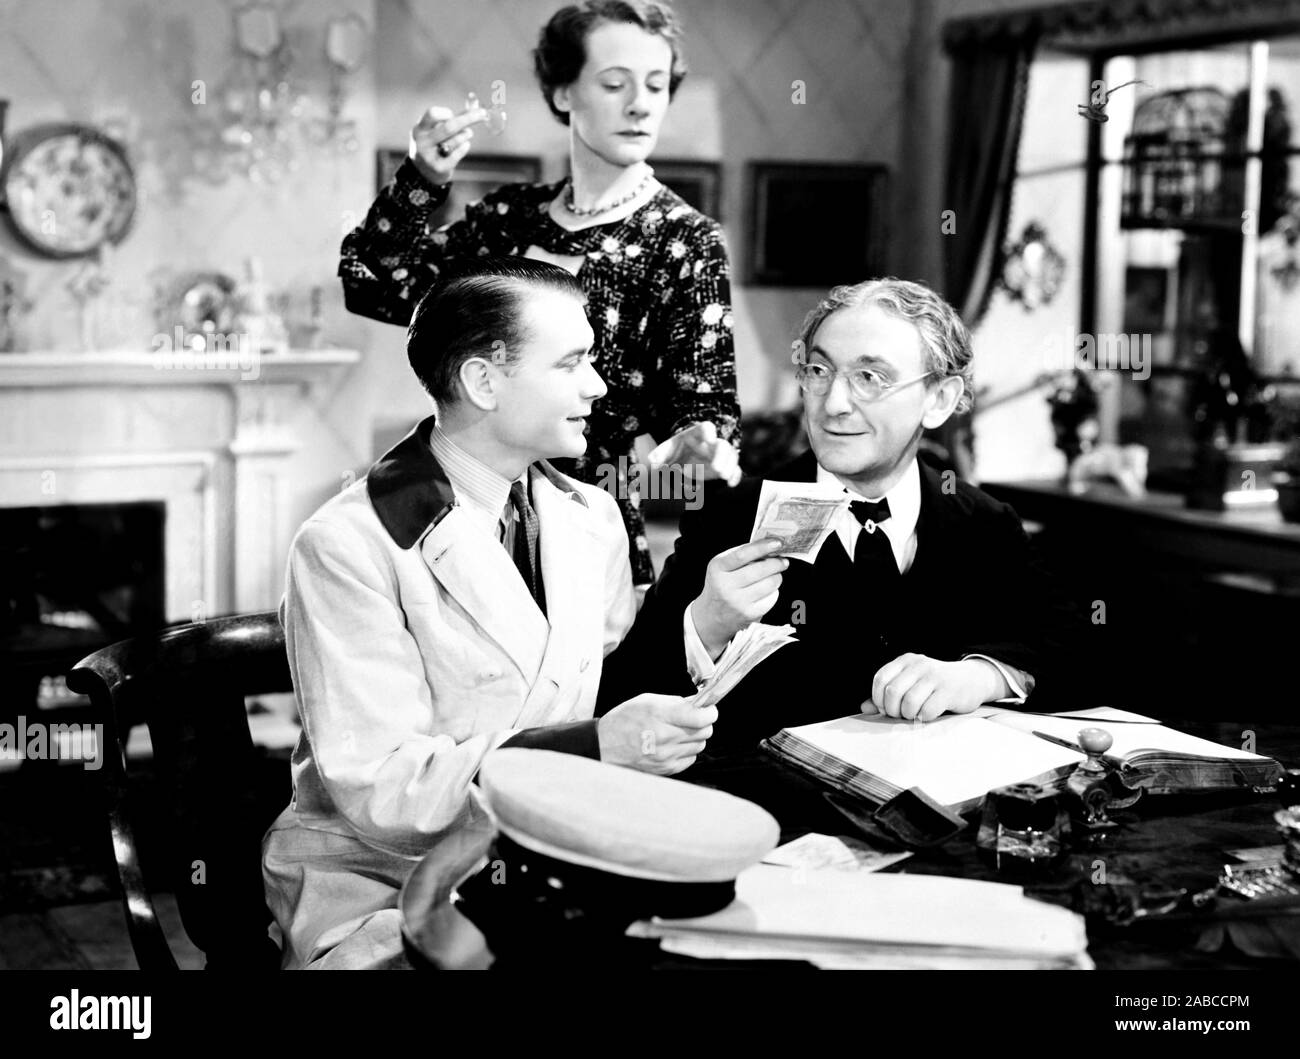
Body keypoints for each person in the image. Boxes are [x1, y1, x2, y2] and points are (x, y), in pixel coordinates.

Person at [263, 257, 716, 969]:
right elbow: (385, 788)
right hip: (387, 888)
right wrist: (590, 747)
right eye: (572, 363)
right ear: (483, 381)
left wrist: (708, 620)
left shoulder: (590, 515)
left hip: (548, 856)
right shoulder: (344, 544)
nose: (597, 386)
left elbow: (596, 686)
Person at [339, 0, 742, 588]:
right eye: (614, 83)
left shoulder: (685, 239)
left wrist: (698, 447)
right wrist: (421, 176)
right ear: (562, 93)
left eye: (657, 86)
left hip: (590, 524)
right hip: (461, 510)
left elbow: (705, 412)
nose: (640, 104)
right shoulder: (508, 219)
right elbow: (374, 282)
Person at [599, 278, 1083, 752]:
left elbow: (1076, 647)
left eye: (869, 378)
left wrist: (981, 676)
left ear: (939, 400)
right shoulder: (733, 515)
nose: (833, 404)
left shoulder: (984, 521)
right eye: (818, 371)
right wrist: (705, 624)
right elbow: (617, 695)